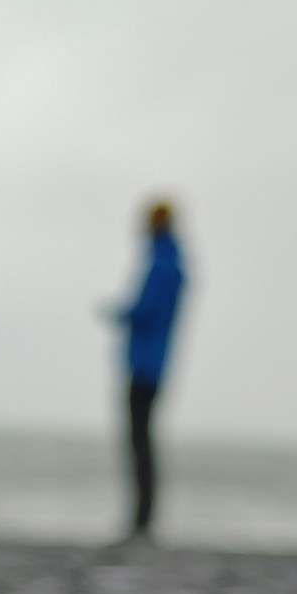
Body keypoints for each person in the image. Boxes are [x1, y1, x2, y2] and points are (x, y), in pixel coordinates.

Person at [108, 199, 187, 544]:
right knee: (145, 439)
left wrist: (121, 313)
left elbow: (145, 311)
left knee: (139, 440)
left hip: (144, 363)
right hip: (158, 362)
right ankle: (144, 518)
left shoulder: (161, 264)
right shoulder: (176, 264)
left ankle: (141, 521)